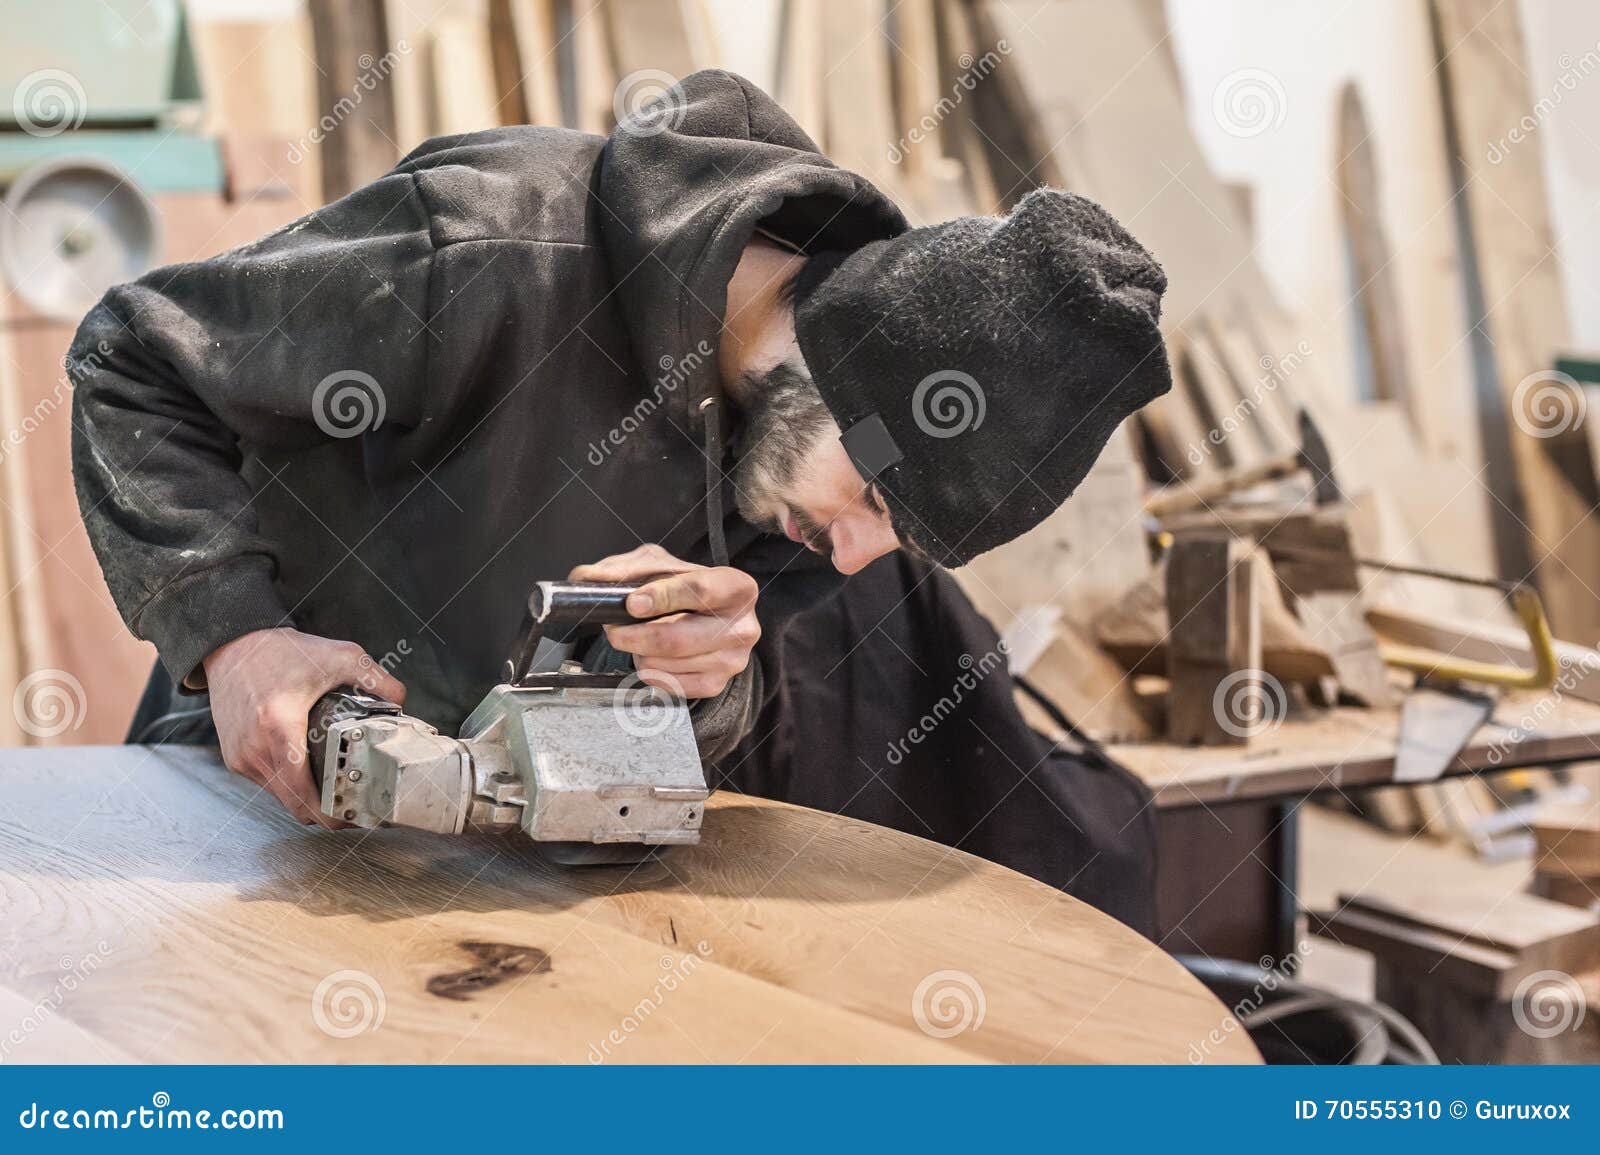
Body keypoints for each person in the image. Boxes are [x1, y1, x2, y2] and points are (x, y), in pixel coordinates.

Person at [71, 70, 1170, 929]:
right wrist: (239, 640)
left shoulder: (786, 475)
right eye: (878, 502)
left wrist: (700, 683)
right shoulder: (490, 250)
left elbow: (645, 725)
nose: (848, 560)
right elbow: (130, 360)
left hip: (481, 886)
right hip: (248, 812)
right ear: (850, 380)